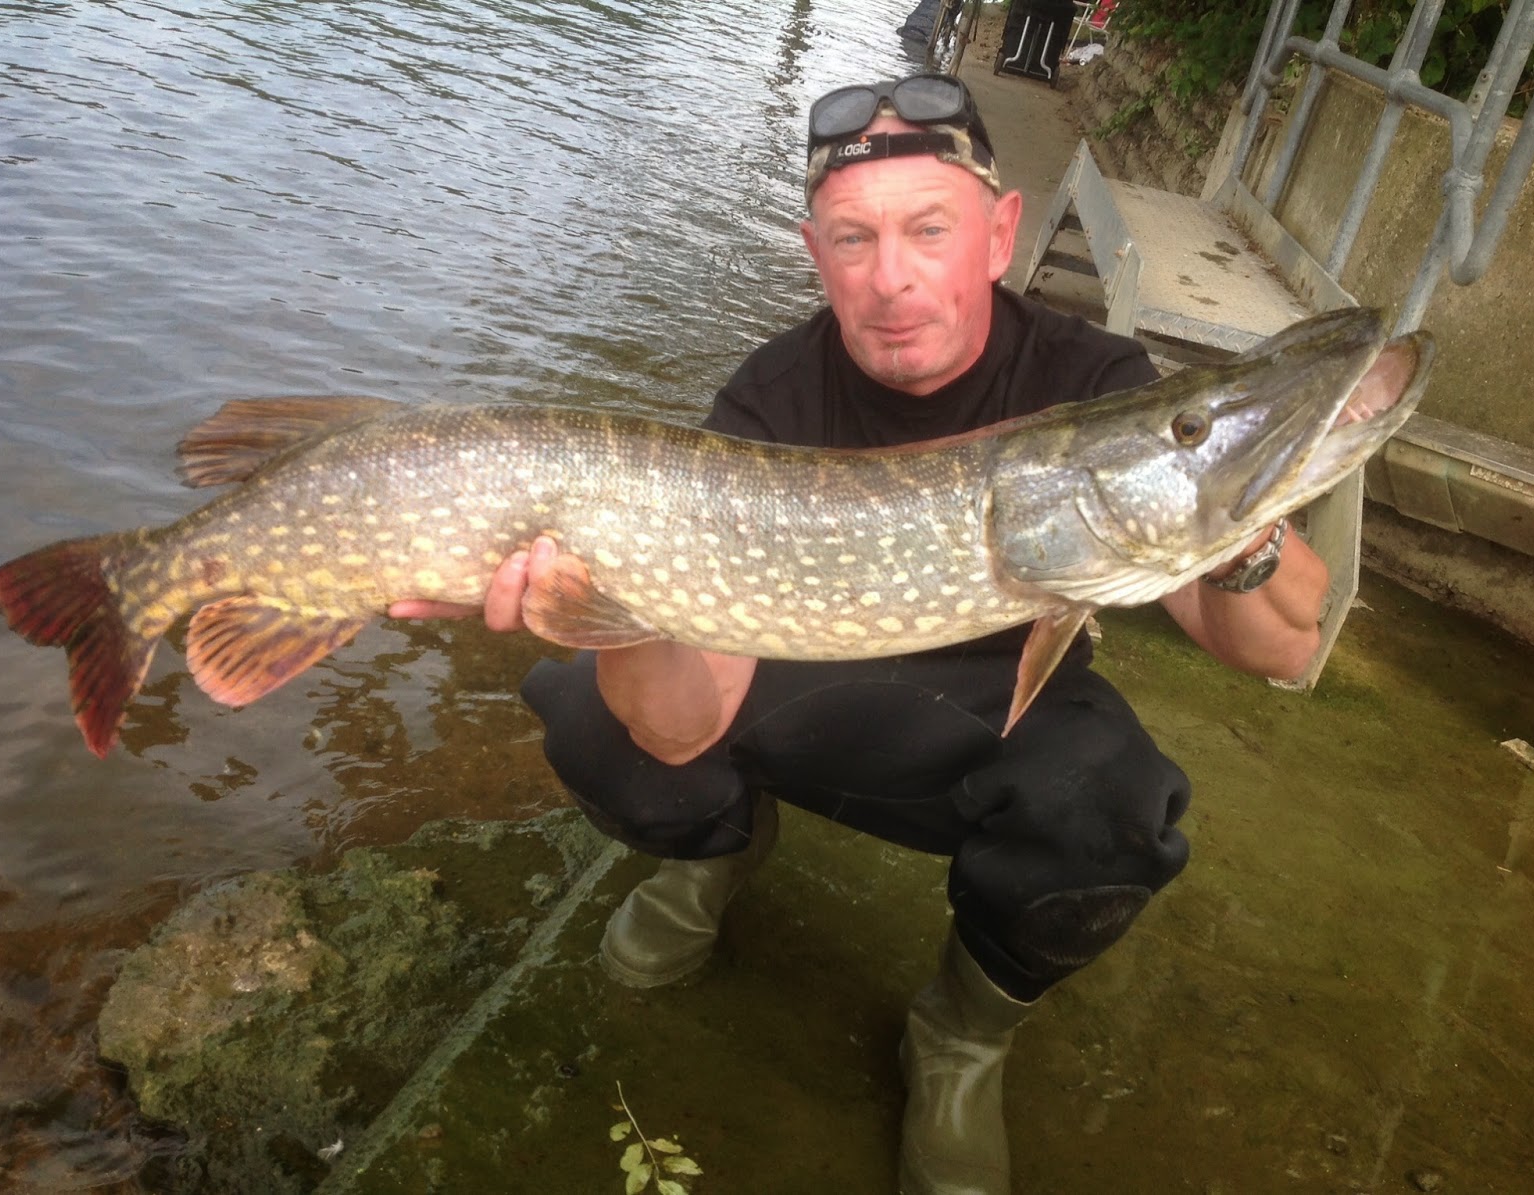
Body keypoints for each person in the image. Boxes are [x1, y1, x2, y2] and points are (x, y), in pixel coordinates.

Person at [392, 72, 1329, 1195]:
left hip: (986, 727)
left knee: (1114, 810)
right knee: (601, 727)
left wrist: (1238, 528)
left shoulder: (1094, 385)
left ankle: (963, 1032)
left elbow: (1281, 648)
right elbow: (683, 727)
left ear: (997, 233)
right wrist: (602, 605)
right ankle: (717, 857)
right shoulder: (768, 397)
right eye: (853, 238)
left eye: (928, 229)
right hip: (791, 701)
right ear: (813, 251)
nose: (890, 279)